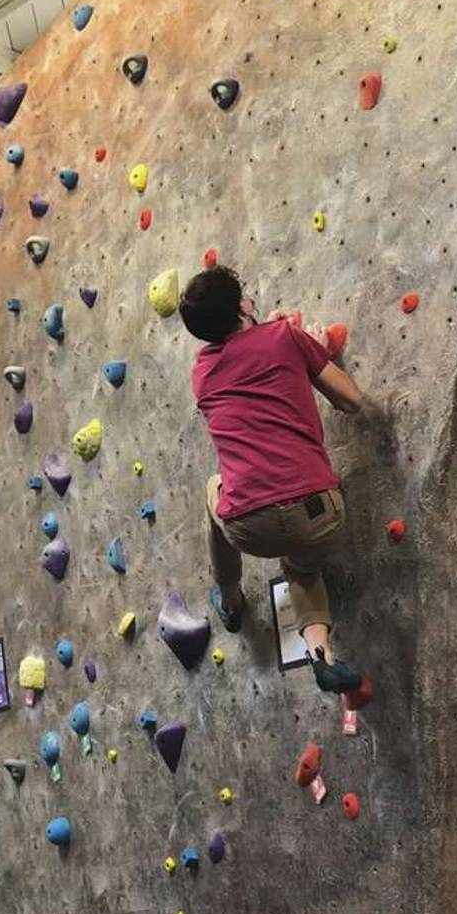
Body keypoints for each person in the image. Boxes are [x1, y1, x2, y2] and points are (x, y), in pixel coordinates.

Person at [179, 264, 377, 695]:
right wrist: (314, 353)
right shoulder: (285, 337)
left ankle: (230, 599)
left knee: (214, 489)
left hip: (250, 526)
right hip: (318, 509)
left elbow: (246, 370)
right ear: (241, 308)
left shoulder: (202, 374)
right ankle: (320, 654)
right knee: (303, 568)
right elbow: (351, 400)